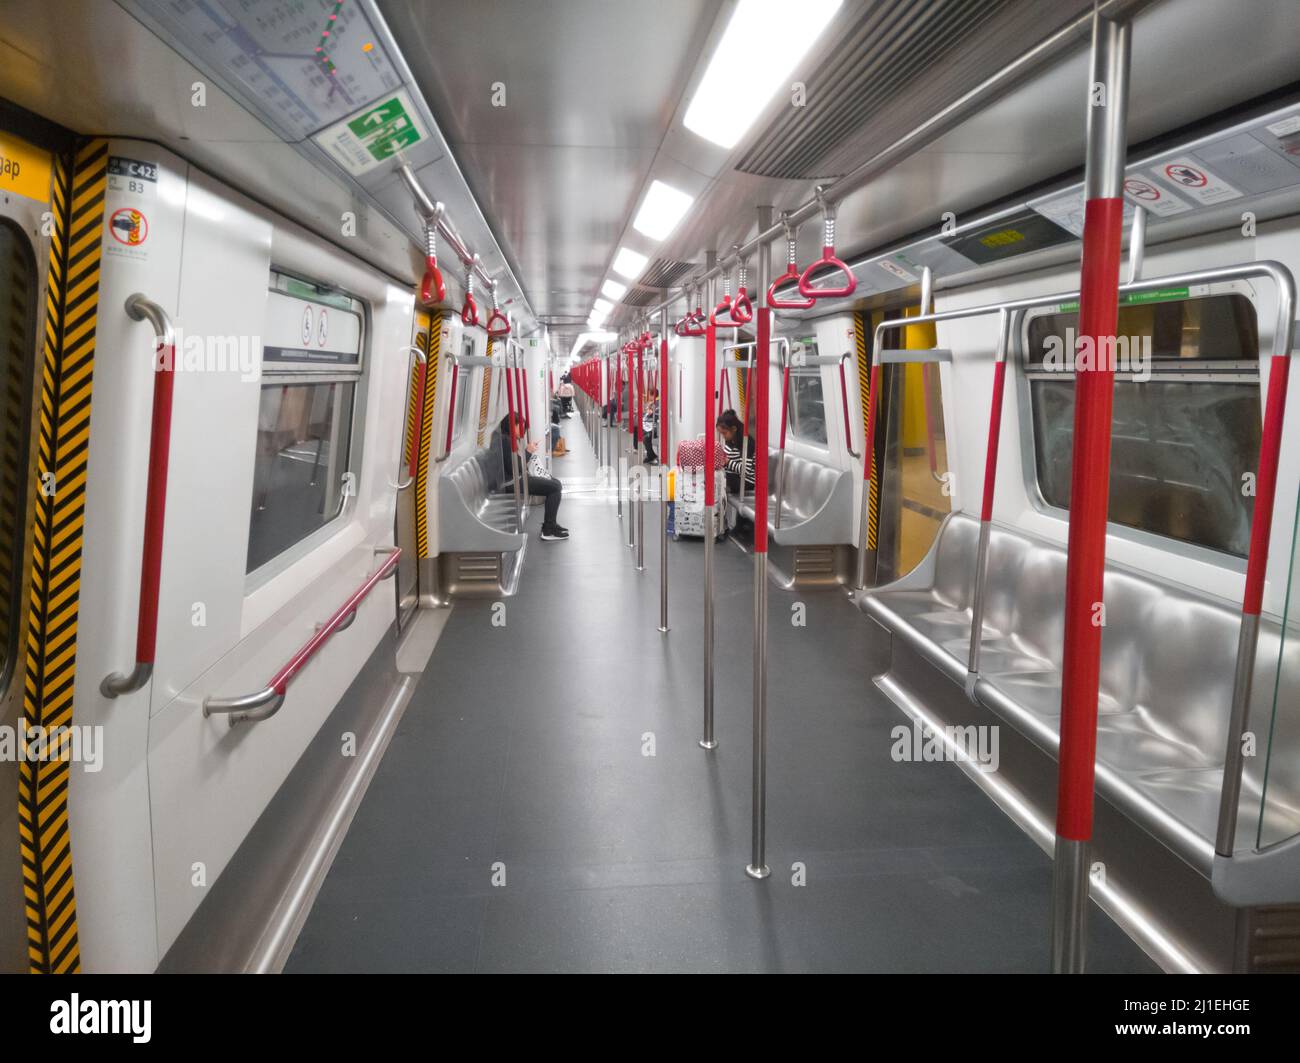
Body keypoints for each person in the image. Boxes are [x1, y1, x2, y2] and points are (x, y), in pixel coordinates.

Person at [498, 414, 568, 540]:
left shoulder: (505, 439)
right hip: (511, 483)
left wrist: (526, 452)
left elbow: (514, 464)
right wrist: (528, 452)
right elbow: (515, 468)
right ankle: (548, 529)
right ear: (513, 426)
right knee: (555, 487)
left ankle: (550, 525)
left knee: (555, 482)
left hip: (514, 479)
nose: (523, 431)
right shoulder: (505, 441)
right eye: (521, 427)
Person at [716, 409, 756, 496]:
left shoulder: (747, 443)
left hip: (748, 481)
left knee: (722, 477)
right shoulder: (730, 441)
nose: (723, 436)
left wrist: (727, 462)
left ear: (733, 429)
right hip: (736, 477)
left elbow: (746, 470)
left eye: (724, 433)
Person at [641, 387, 659, 465]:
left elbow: (654, 414)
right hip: (651, 424)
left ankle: (651, 456)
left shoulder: (657, 403)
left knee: (646, 439)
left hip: (655, 426)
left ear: (653, 395)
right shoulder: (653, 402)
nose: (649, 397)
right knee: (643, 435)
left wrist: (649, 411)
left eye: (650, 395)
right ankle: (650, 455)